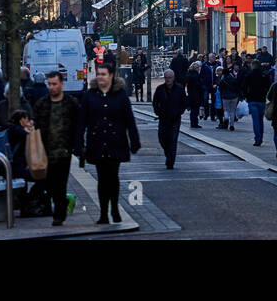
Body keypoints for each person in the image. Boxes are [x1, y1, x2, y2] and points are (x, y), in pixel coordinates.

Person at [76, 61, 141, 224]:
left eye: (103, 74)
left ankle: (114, 208)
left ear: (111, 76)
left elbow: (129, 120)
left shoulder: (120, 95)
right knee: (102, 178)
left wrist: (134, 141)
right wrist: (79, 144)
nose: (100, 77)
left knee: (113, 177)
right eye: (98, 74)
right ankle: (104, 213)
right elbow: (81, 121)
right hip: (97, 142)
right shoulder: (90, 95)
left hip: (115, 142)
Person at [32, 70, 80, 226]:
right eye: (49, 84)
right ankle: (62, 202)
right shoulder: (42, 104)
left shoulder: (71, 103)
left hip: (64, 151)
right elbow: (35, 124)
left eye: (54, 84)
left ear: (61, 84)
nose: (51, 87)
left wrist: (78, 146)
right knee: (49, 184)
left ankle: (58, 215)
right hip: (46, 151)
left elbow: (78, 126)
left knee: (61, 182)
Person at [152, 69, 187, 170]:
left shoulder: (179, 89)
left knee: (172, 139)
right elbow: (155, 102)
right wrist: (158, 112)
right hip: (163, 118)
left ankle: (170, 161)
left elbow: (184, 102)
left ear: (173, 78)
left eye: (170, 78)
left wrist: (179, 112)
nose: (168, 80)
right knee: (162, 138)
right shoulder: (160, 89)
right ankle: (168, 153)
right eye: (166, 78)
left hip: (175, 119)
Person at [244, 59, 273, 146]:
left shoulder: (249, 75)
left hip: (252, 99)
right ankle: (261, 137)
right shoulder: (264, 75)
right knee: (260, 120)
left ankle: (257, 138)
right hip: (261, 100)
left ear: (252, 66)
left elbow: (244, 87)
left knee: (255, 120)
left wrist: (246, 96)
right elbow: (268, 86)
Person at [219, 65, 242, 132]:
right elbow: (237, 88)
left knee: (226, 109)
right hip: (234, 96)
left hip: (225, 96)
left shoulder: (222, 80)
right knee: (232, 111)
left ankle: (226, 117)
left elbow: (220, 89)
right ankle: (232, 125)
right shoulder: (233, 79)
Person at [183, 61, 204, 128]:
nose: (198, 69)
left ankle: (193, 123)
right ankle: (195, 123)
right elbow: (199, 85)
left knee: (193, 110)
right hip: (196, 94)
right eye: (197, 68)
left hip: (190, 94)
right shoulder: (196, 75)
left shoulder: (188, 74)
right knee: (195, 110)